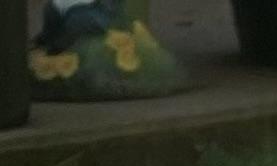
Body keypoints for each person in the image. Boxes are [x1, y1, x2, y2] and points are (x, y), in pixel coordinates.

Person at [30, 0, 185, 99]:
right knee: (51, 12)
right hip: (64, 6)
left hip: (93, 11)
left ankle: (61, 46)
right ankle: (51, 42)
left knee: (78, 22)